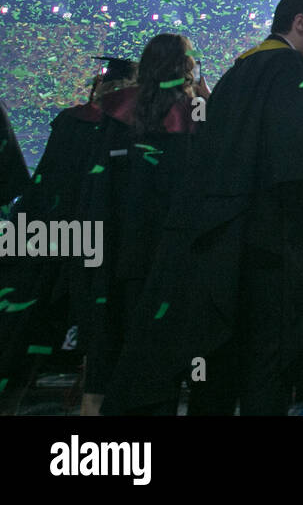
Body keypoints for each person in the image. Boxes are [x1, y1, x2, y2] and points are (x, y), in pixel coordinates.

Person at [103, 0, 303, 415]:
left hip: (226, 248)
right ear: (300, 22)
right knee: (268, 366)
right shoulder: (290, 71)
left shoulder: (237, 74)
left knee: (218, 364)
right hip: (275, 250)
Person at [0, 57, 135, 412]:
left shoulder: (71, 120)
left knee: (28, 327)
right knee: (96, 328)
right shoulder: (121, 127)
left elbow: (40, 183)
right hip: (93, 239)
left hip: (47, 234)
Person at [79, 34, 204, 415]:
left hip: (120, 251)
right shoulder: (195, 117)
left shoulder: (114, 115)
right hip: (176, 256)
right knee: (163, 358)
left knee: (119, 346)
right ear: (185, 68)